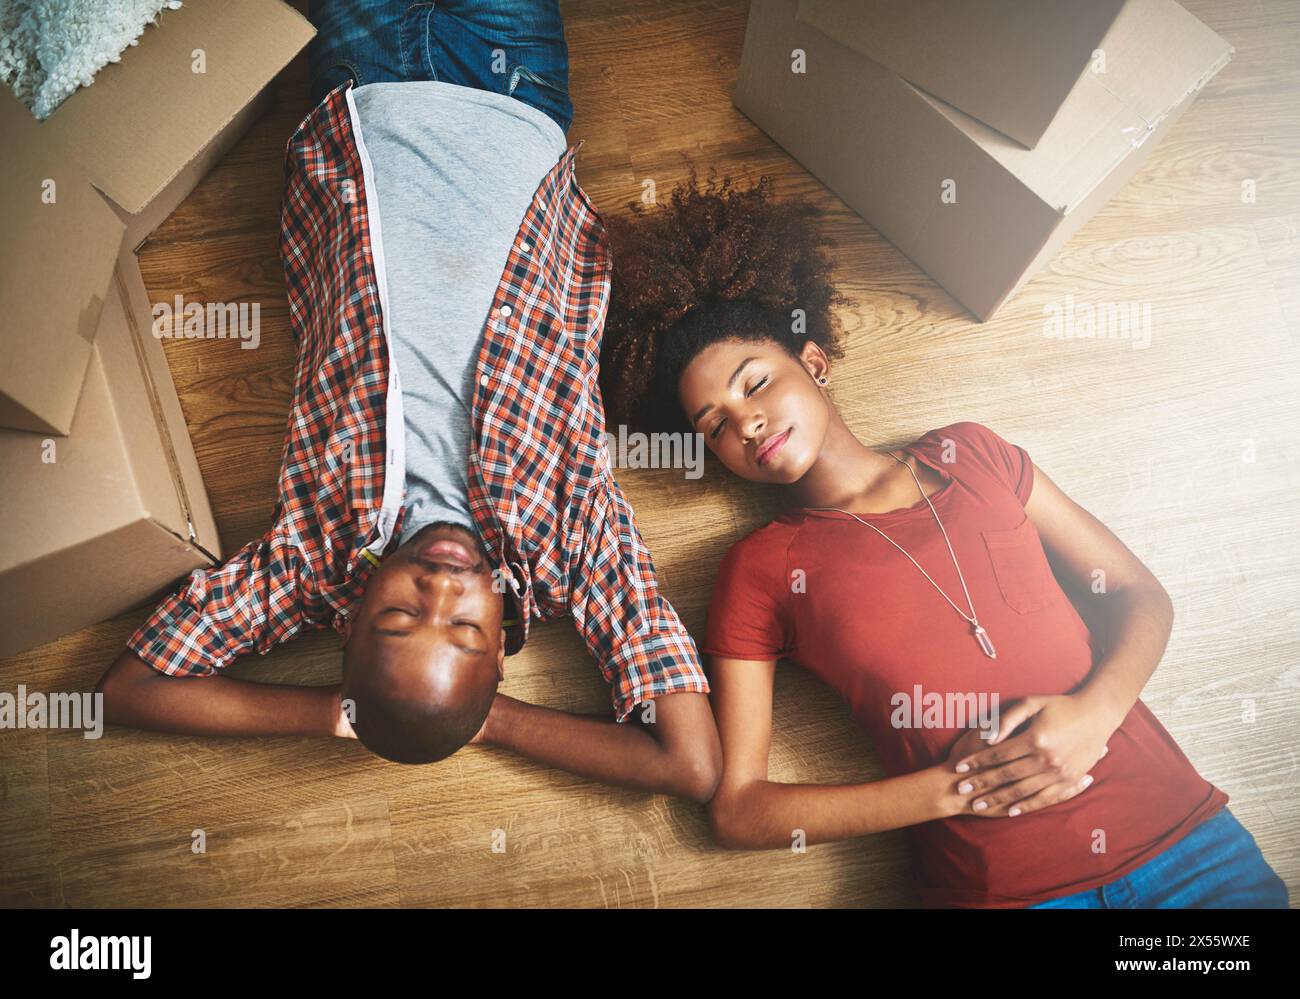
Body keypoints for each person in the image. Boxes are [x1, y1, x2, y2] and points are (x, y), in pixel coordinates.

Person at [597, 166, 1290, 908]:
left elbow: (1137, 592)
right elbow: (739, 808)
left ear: (814, 360)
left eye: (755, 382)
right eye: (715, 425)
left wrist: (1095, 714)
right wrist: (952, 790)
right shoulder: (760, 570)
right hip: (1004, 895)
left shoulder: (972, 454)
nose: (746, 422)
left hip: (1192, 856)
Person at [94, 0, 722, 801]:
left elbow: (132, 687)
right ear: (500, 653)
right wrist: (485, 719)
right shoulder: (571, 547)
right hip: (513, 86)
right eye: (464, 629)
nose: (440, 590)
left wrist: (333, 713)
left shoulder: (312, 562)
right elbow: (691, 763)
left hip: (365, 87)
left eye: (399, 618)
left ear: (351, 621)